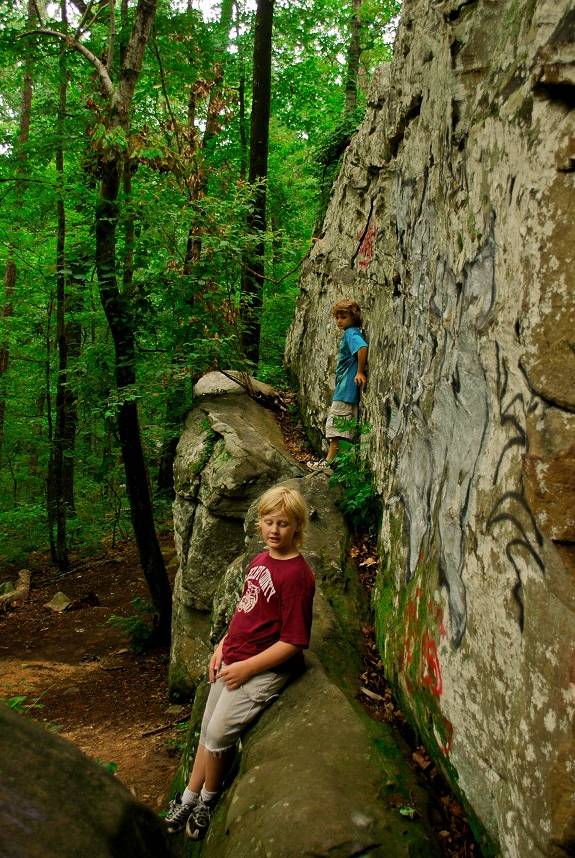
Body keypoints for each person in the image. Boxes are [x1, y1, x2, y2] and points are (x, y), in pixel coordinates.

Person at [164, 485, 315, 840]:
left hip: (264, 667)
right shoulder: (261, 560)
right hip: (235, 655)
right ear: (259, 524)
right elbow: (246, 610)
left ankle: (208, 800)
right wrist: (222, 645)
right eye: (268, 522)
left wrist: (248, 668)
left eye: (283, 524)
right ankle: (187, 797)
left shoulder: (296, 577)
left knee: (218, 733)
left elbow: (294, 641)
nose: (275, 531)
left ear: (298, 527)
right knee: (207, 727)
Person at [307, 298, 368, 471]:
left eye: (343, 317)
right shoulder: (351, 332)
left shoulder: (351, 333)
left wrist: (360, 371)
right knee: (344, 429)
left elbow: (362, 347)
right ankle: (342, 466)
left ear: (353, 318)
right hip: (346, 390)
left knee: (336, 427)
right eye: (337, 317)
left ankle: (328, 462)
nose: (339, 321)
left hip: (345, 390)